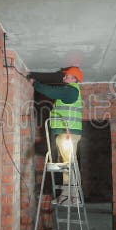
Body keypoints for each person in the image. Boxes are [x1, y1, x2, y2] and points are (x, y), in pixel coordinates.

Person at [30, 66, 84, 203]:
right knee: (67, 163)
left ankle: (69, 196)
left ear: (74, 78)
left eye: (67, 76)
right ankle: (71, 196)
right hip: (66, 134)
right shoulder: (70, 91)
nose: (64, 78)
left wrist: (35, 83)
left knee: (68, 164)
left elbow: (51, 91)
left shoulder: (71, 91)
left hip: (68, 134)